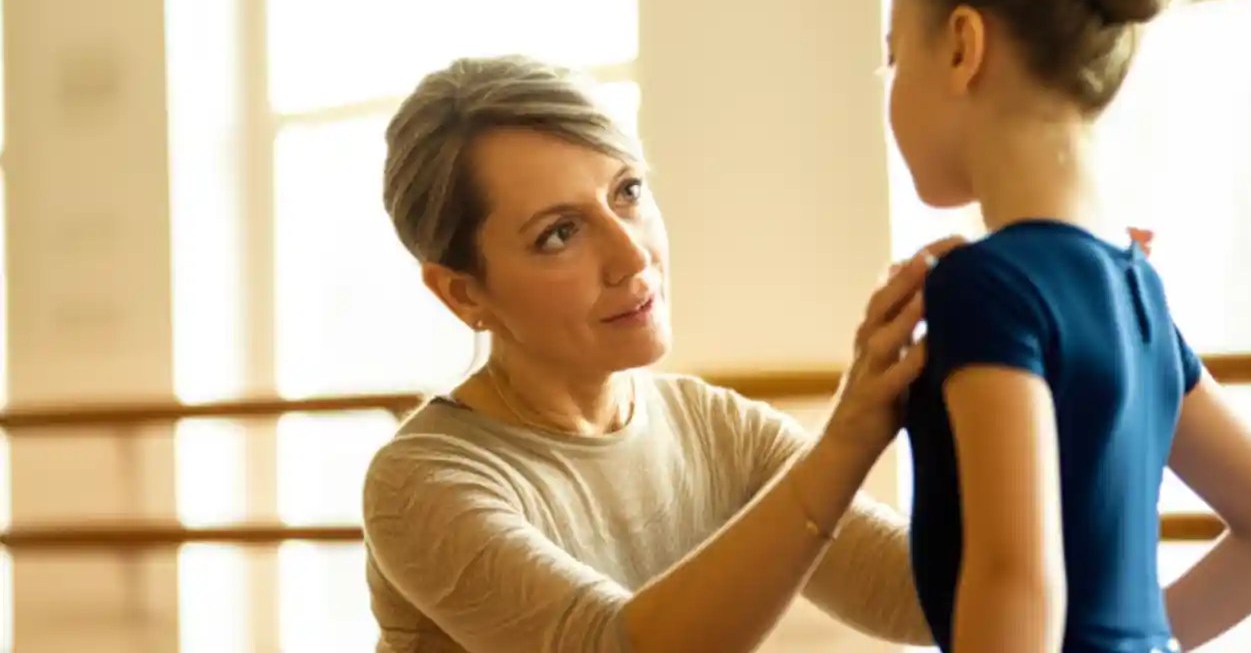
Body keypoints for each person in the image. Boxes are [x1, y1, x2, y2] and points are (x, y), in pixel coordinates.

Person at [362, 54, 958, 653]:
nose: (631, 255)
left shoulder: (713, 427)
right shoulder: (420, 483)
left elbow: (933, 592)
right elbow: (619, 646)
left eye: (628, 191)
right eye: (559, 233)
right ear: (463, 293)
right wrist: (847, 441)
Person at [884, 0, 1251, 651]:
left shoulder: (986, 289)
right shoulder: (1134, 285)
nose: (889, 86)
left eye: (893, 56)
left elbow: (1015, 579)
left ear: (960, 46)